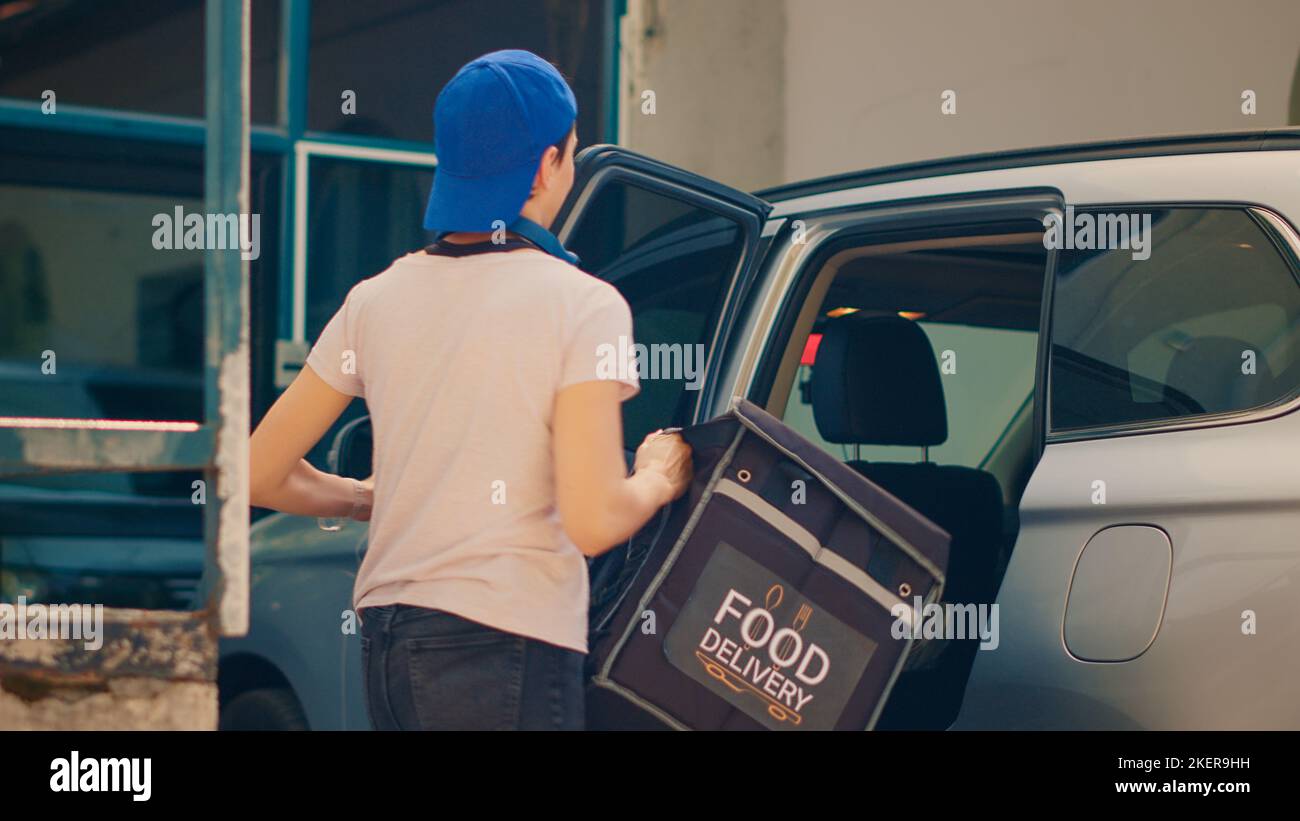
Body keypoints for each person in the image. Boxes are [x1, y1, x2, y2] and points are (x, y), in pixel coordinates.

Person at [247, 49, 692, 730]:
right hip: (503, 643)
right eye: (570, 154)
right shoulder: (583, 303)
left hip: (389, 642)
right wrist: (659, 475)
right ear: (547, 165)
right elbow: (596, 519)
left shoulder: (376, 298)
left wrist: (369, 496)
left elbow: (256, 471)